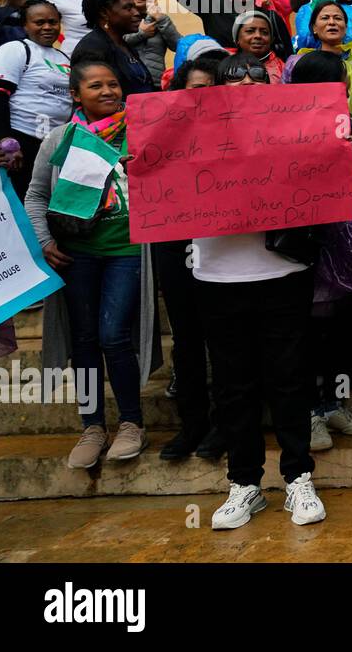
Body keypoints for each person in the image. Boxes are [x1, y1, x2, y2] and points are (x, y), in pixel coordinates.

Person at [196, 52, 326, 530]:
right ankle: (244, 483)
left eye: (258, 75)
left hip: (281, 272)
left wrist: (337, 150)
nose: (248, 82)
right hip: (217, 276)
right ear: (216, 86)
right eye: (236, 76)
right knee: (233, 386)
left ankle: (297, 478)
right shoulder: (191, 133)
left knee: (290, 379)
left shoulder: (295, 129)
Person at [24, 58, 161, 468]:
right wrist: (44, 241)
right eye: (96, 86)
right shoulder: (60, 139)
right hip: (75, 254)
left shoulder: (142, 133)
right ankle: (92, 426)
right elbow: (35, 195)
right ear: (75, 94)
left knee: (113, 335)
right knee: (83, 339)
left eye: (113, 85)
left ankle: (131, 423)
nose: (108, 92)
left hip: (128, 251)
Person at [289, 51, 352, 452]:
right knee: (307, 334)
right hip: (306, 245)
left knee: (341, 331)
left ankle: (335, 405)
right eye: (337, 79)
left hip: (346, 242)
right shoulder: (286, 125)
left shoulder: (348, 121)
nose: (343, 86)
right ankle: (309, 413)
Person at [156, 56, 227, 462]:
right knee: (186, 338)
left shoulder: (243, 131)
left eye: (215, 90)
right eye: (198, 90)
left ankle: (224, 424)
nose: (206, 99)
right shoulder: (162, 133)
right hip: (177, 242)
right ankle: (193, 424)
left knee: (223, 337)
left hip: (227, 247)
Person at [0, 0, 72, 198]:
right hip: (20, 143)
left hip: (52, 146)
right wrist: (5, 140)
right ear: (25, 26)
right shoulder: (16, 49)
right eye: (39, 22)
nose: (47, 27)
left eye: (53, 22)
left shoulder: (64, 57)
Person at [288, 1, 352, 128]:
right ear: (314, 28)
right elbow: (288, 101)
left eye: (337, 18)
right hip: (312, 133)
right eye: (325, 18)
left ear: (345, 27)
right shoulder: (298, 62)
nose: (332, 22)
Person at [72, 0, 155, 97]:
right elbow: (95, 97)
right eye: (128, 8)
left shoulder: (125, 46)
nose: (136, 13)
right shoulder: (91, 49)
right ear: (104, 13)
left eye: (135, 7)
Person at [121, 0, 181, 87]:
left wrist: (161, 19)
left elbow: (178, 45)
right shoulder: (120, 17)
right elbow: (115, 43)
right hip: (127, 81)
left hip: (156, 83)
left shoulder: (161, 19)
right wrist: (142, 34)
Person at [229, 11, 285, 83]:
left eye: (264, 32)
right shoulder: (223, 65)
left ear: (271, 40)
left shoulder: (284, 69)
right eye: (250, 31)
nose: (258, 36)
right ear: (237, 39)